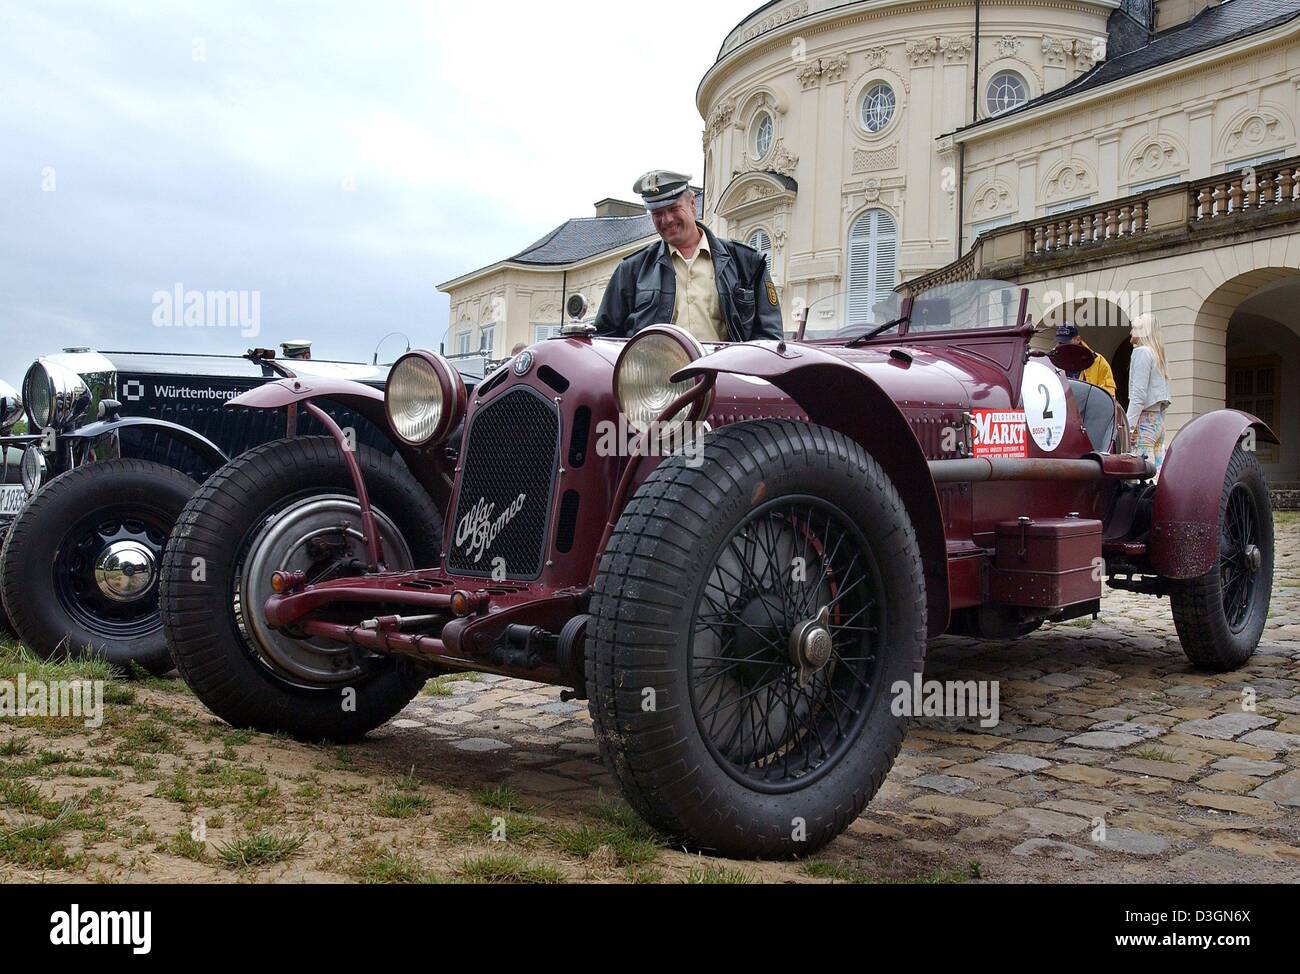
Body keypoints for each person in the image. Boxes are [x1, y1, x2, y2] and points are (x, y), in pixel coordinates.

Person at [594, 170, 783, 343]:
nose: (666, 219)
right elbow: (604, 338)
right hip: (657, 379)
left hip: (725, 377)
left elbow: (769, 338)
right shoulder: (631, 270)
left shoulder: (748, 263)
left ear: (692, 204)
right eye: (657, 213)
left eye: (674, 208)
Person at [1126, 312, 1172, 474]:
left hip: (1144, 421)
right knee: (1157, 471)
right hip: (1158, 421)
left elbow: (1138, 395)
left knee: (1141, 473)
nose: (1130, 333)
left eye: (1134, 329)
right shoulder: (1158, 355)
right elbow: (1164, 396)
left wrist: (1127, 428)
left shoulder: (1142, 352)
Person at [1055, 323, 1116, 397]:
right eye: (1059, 343)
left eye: (1066, 343)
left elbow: (1109, 392)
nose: (1062, 346)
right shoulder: (1052, 360)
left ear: (1078, 339)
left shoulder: (1098, 360)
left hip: (1088, 407)